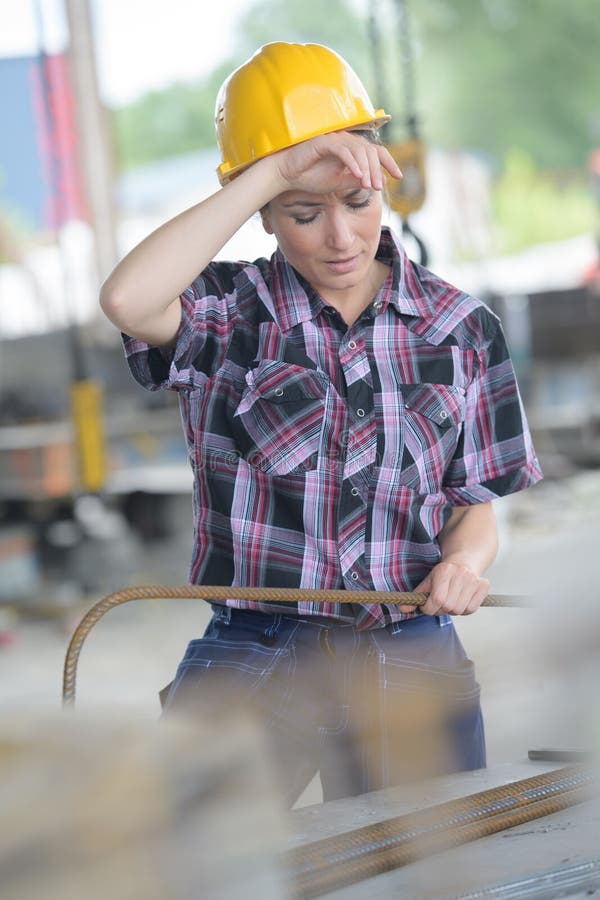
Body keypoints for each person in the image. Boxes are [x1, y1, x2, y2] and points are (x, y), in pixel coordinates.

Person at [100, 42, 543, 806]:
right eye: (304, 213)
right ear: (264, 213)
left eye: (358, 204)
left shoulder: (461, 329)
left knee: (431, 873)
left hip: (408, 647)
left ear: (385, 188)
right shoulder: (225, 315)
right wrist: (272, 169)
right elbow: (127, 301)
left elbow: (474, 505)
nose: (340, 239)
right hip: (256, 646)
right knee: (189, 867)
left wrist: (465, 564)